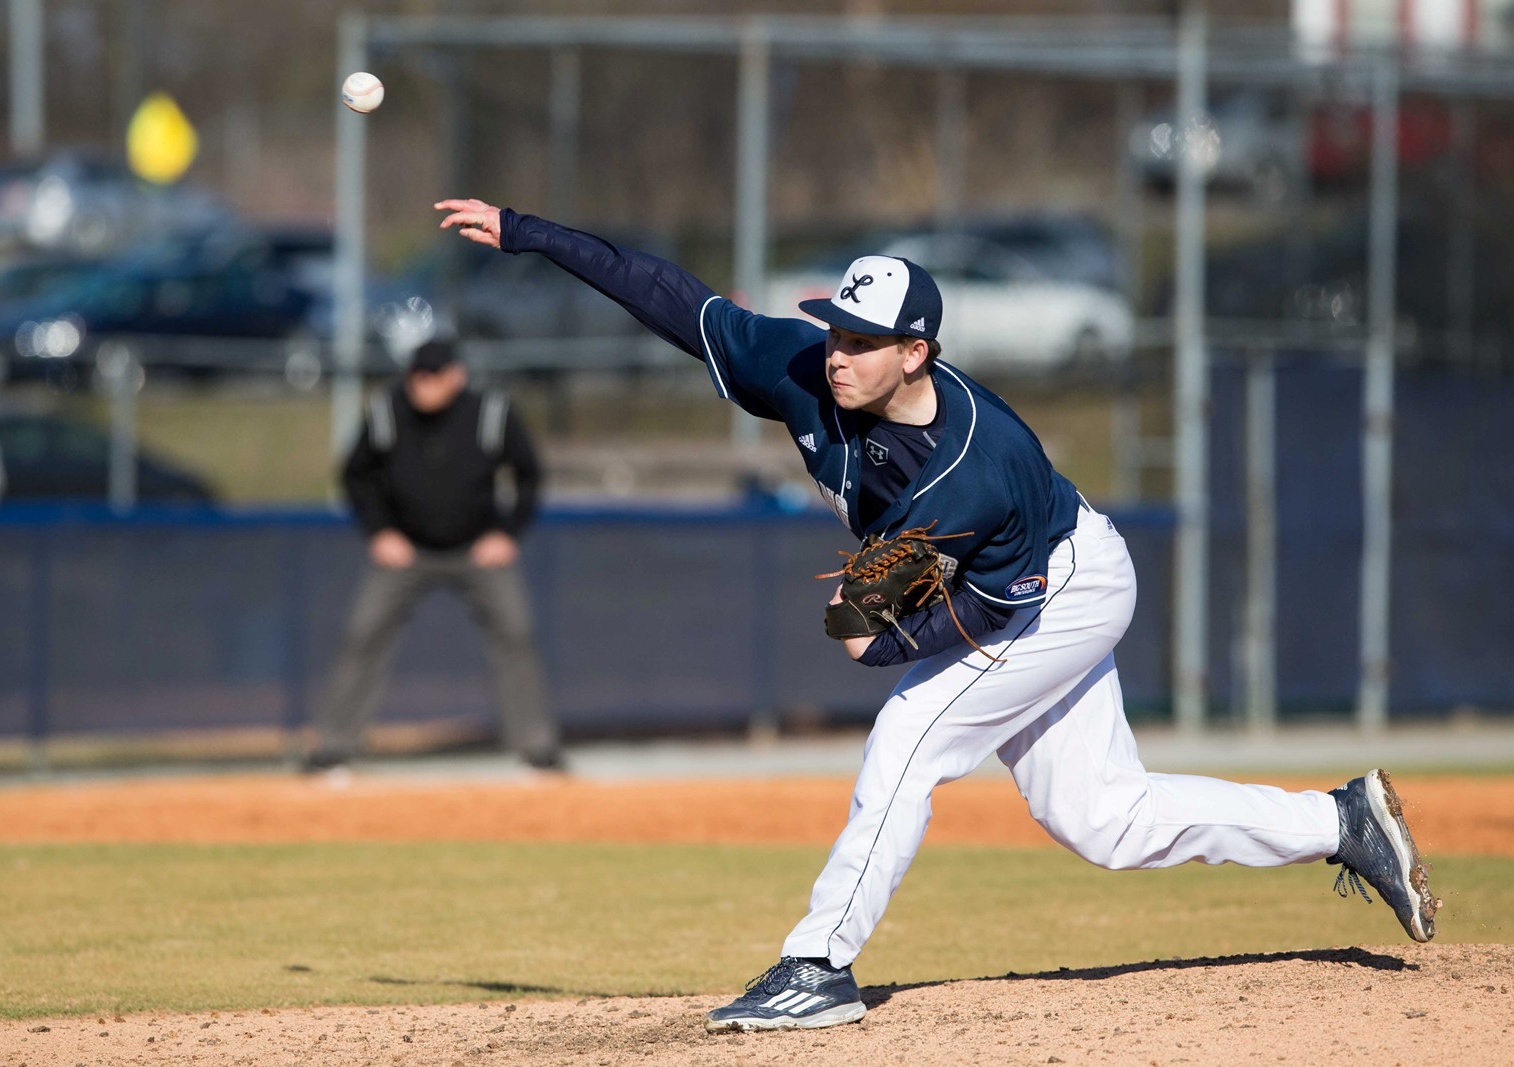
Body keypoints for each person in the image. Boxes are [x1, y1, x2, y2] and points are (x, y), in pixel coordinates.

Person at [433, 198, 1438, 1033]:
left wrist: (862, 616)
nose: (839, 352)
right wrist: (528, 231)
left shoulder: (970, 468)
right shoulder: (800, 371)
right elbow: (672, 297)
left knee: (911, 733)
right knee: (1102, 818)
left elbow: (893, 639)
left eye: (864, 341)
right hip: (1017, 573)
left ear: (915, 351)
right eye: (836, 327)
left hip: (1056, 585)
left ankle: (819, 963)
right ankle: (1339, 819)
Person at [305, 337, 565, 776]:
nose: (423, 385)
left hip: (476, 547)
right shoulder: (389, 413)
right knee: (363, 633)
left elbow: (528, 475)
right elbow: (356, 475)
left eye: (433, 376)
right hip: (407, 548)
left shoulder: (490, 413)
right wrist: (380, 530)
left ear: (456, 377)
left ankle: (536, 748)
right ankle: (334, 748)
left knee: (516, 632)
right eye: (417, 376)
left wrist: (506, 532)